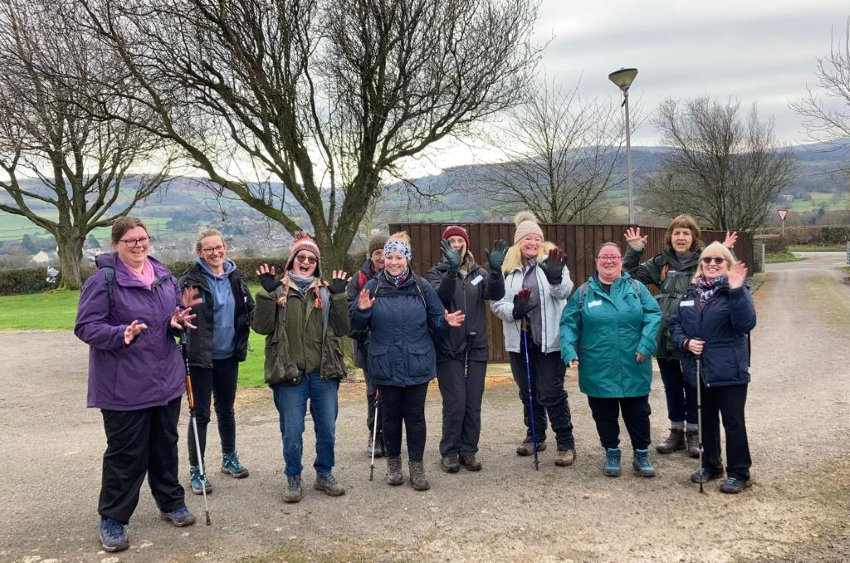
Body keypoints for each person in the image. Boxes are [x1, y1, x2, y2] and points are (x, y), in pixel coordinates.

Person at [75, 216, 201, 553]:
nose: (138, 245)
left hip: (165, 381)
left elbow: (172, 317)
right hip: (123, 386)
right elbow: (85, 327)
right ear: (117, 243)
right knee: (126, 454)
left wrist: (177, 321)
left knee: (164, 445)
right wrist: (121, 334)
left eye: (143, 238)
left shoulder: (163, 276)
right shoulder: (104, 281)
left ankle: (171, 503)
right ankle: (113, 519)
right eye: (130, 240)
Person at [351, 232, 465, 491]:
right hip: (385, 363)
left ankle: (417, 466)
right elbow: (357, 327)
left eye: (399, 257)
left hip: (417, 363)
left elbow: (436, 320)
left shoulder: (421, 287)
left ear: (407, 259)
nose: (393, 262)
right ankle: (394, 465)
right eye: (389, 257)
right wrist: (362, 311)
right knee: (390, 418)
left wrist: (445, 323)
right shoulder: (373, 287)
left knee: (415, 417)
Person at [623, 217, 737, 457]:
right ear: (670, 237)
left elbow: (726, 278)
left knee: (694, 385)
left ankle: (694, 434)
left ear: (693, 237)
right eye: (676, 233)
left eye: (686, 233)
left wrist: (727, 252)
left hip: (695, 337)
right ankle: (676, 432)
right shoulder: (661, 263)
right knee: (672, 387)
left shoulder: (703, 261)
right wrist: (634, 251)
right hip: (665, 336)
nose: (681, 237)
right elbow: (631, 277)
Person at [251, 232, 350, 504]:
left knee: (327, 429)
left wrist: (341, 297)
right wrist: (266, 294)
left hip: (323, 372)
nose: (305, 262)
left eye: (311, 259)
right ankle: (293, 477)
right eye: (301, 257)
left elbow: (343, 329)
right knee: (292, 432)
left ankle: (324, 473)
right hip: (289, 373)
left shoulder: (327, 292)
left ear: (316, 264)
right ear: (292, 260)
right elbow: (260, 327)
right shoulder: (279, 291)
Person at [559, 242, 662, 478]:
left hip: (633, 362)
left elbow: (654, 314)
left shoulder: (636, 288)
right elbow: (568, 323)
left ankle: (641, 453)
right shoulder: (584, 292)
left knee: (638, 412)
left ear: (621, 261)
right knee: (603, 413)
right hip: (598, 364)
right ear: (596, 261)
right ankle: (611, 452)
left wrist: (646, 343)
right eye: (604, 257)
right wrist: (568, 351)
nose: (609, 261)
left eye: (614, 257)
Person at [491, 211, 577, 466]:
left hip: (549, 339)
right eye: (527, 238)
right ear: (519, 242)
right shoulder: (508, 269)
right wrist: (514, 311)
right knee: (527, 390)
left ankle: (565, 442)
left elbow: (565, 292)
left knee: (551, 391)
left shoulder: (553, 261)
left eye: (536, 238)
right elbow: (497, 304)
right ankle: (535, 435)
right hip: (521, 339)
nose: (532, 242)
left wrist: (554, 278)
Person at [669, 242, 756, 494]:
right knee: (706, 420)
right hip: (699, 370)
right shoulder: (690, 294)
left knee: (733, 422)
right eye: (707, 260)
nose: (712, 264)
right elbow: (675, 326)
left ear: (728, 264)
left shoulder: (737, 292)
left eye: (719, 260)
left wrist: (737, 289)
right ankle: (711, 465)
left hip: (729, 371)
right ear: (701, 265)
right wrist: (686, 342)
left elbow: (746, 324)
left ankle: (739, 472)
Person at [179, 228, 255, 495]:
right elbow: (180, 316)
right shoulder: (191, 281)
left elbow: (249, 311)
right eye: (208, 249)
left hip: (228, 355)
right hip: (201, 357)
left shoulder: (236, 278)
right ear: (200, 253)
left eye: (218, 247)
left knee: (226, 409)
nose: (215, 252)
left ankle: (229, 457)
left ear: (225, 248)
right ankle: (196, 469)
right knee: (200, 415)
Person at [426, 226, 506, 473]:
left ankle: (468, 450)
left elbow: (495, 293)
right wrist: (451, 270)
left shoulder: (478, 273)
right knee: (456, 401)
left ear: (467, 244)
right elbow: (441, 296)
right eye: (452, 241)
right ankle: (449, 451)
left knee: (473, 402)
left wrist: (495, 271)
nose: (457, 244)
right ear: (445, 246)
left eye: (460, 240)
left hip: (476, 346)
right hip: (448, 347)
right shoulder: (436, 273)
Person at [346, 233, 389, 458]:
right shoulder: (360, 278)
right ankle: (375, 434)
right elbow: (349, 308)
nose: (382, 257)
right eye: (377, 253)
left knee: (391, 392)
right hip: (367, 345)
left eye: (385, 252)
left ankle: (388, 434)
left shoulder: (397, 274)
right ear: (371, 255)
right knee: (374, 393)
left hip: (391, 344)